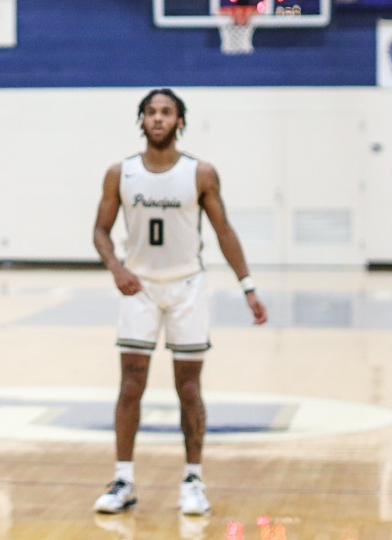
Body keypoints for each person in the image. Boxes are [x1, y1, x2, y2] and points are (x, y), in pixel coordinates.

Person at [91, 87, 268, 518]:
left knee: (188, 386)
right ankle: (123, 479)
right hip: (140, 288)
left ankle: (193, 479)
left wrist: (247, 285)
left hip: (187, 287)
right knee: (131, 383)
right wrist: (116, 267)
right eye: (150, 112)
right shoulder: (121, 173)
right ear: (141, 121)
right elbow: (100, 230)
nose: (157, 119)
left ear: (179, 122)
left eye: (166, 112)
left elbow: (224, 231)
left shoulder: (200, 173)